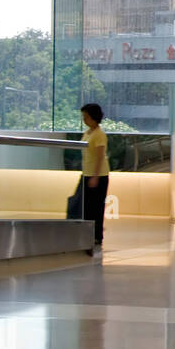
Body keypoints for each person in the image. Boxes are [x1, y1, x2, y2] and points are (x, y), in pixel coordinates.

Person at [77, 102, 110, 257]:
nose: (84, 119)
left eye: (86, 116)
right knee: (86, 207)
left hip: (98, 176)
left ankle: (97, 236)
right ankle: (87, 234)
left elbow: (99, 157)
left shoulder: (99, 135)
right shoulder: (88, 132)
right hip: (87, 174)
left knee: (95, 207)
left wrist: (95, 177)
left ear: (93, 117)